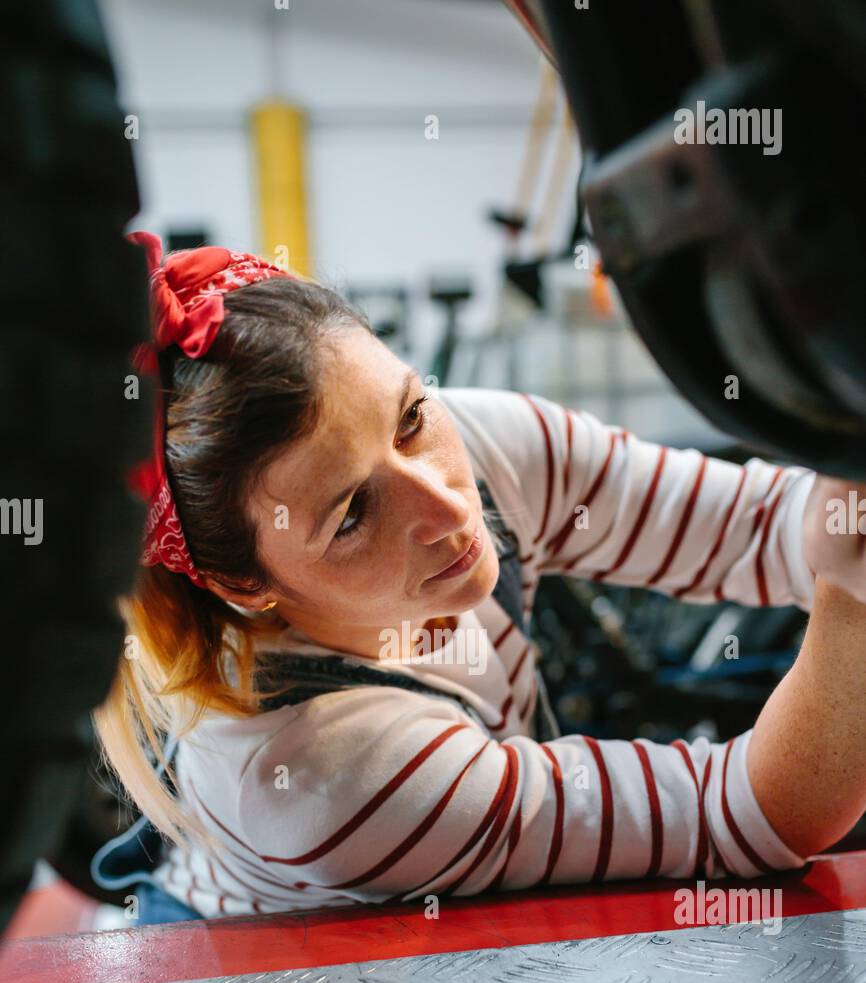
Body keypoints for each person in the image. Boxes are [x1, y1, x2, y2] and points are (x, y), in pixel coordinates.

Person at [93, 232, 866, 924]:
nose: (447, 507)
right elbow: (747, 815)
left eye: (409, 418)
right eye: (352, 513)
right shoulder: (316, 777)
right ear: (247, 585)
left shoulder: (479, 438)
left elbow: (766, 525)